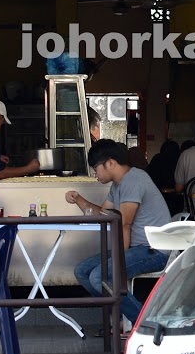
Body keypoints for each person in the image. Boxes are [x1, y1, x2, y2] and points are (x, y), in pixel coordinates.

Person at [68, 140, 172, 332]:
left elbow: (124, 224)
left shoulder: (134, 180)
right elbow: (103, 213)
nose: (95, 174)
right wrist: (78, 199)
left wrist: (119, 262)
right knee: (82, 271)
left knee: (99, 276)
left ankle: (146, 326)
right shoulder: (118, 184)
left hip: (154, 250)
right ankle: (117, 320)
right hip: (137, 247)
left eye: (96, 168)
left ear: (110, 163)